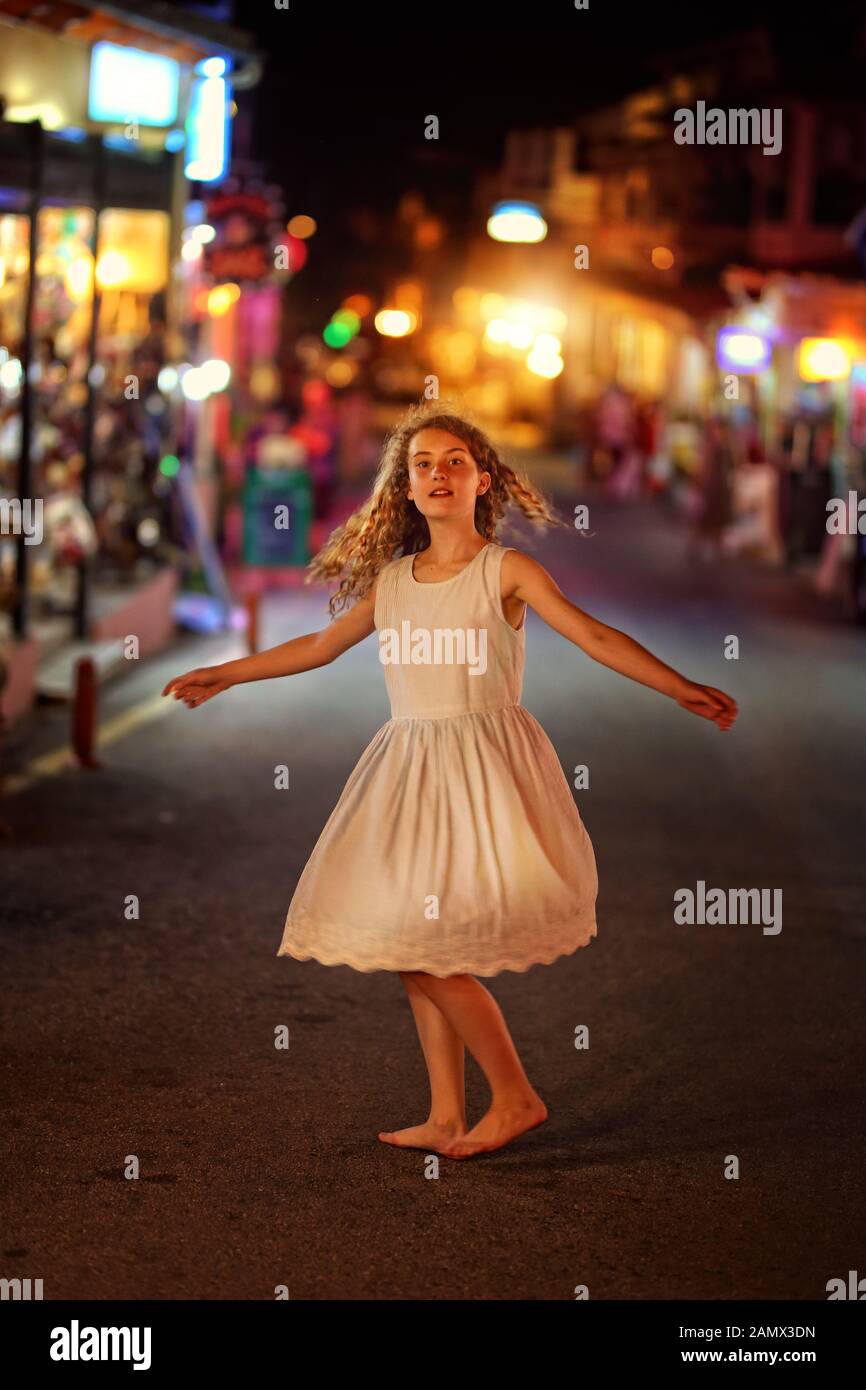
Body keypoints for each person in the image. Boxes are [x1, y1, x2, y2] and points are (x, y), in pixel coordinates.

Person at [162, 402, 738, 1160]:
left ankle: (515, 1096)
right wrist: (226, 675)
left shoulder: (507, 570)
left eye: (454, 462)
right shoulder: (395, 582)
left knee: (429, 946)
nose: (438, 474)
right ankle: (444, 1114)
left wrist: (677, 686)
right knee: (415, 940)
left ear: (482, 479)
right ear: (404, 488)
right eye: (423, 465)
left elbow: (594, 634)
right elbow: (319, 644)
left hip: (484, 770)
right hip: (409, 770)